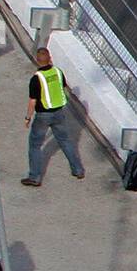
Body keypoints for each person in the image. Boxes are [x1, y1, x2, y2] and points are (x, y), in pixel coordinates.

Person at [20, 47, 84, 187]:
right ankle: (78, 169)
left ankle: (35, 177)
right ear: (50, 58)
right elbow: (64, 88)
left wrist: (27, 118)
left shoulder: (36, 79)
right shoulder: (57, 72)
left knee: (35, 145)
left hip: (43, 115)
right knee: (65, 140)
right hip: (59, 112)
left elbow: (33, 101)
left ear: (37, 61)